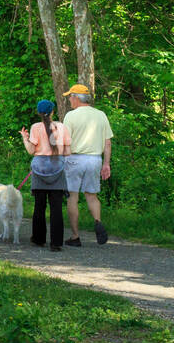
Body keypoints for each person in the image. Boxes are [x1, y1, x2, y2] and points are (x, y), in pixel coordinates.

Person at [61, 84, 113, 246]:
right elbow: (108, 142)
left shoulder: (70, 116)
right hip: (94, 159)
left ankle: (75, 236)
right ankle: (97, 221)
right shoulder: (101, 115)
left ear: (76, 98)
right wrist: (106, 164)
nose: (69, 99)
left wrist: (61, 158)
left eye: (70, 96)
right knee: (91, 195)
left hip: (75, 159)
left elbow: (65, 141)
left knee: (73, 197)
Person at [20, 100, 70, 251]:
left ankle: (38, 238)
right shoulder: (61, 127)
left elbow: (31, 151)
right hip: (57, 169)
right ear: (53, 112)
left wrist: (24, 138)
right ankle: (56, 243)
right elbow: (67, 151)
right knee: (56, 208)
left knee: (39, 206)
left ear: (38, 112)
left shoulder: (35, 127)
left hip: (39, 170)